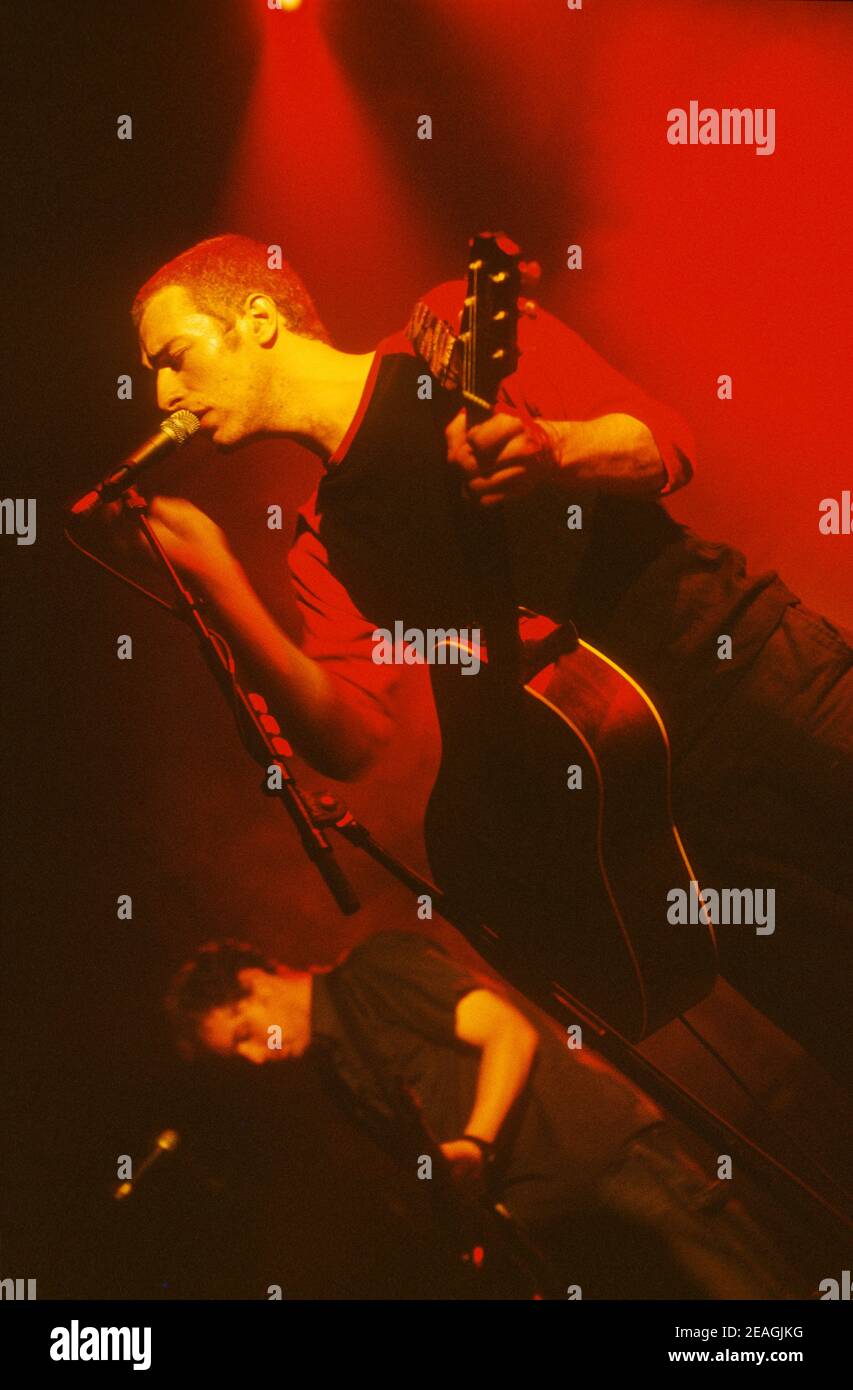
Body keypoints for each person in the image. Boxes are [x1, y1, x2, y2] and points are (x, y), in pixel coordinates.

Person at [104, 233, 851, 1086]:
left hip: (749, 679)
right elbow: (349, 739)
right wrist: (222, 589)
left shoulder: (444, 338)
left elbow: (664, 448)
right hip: (650, 819)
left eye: (175, 356)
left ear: (259, 320)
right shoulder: (321, 544)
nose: (163, 391)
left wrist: (552, 450)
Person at [164, 929, 803, 1300]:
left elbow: (507, 1031)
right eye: (237, 1054)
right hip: (566, 1225)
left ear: (257, 983)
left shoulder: (373, 973)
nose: (255, 1058)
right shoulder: (334, 1070)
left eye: (245, 1034)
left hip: (608, 1171)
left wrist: (475, 1140)